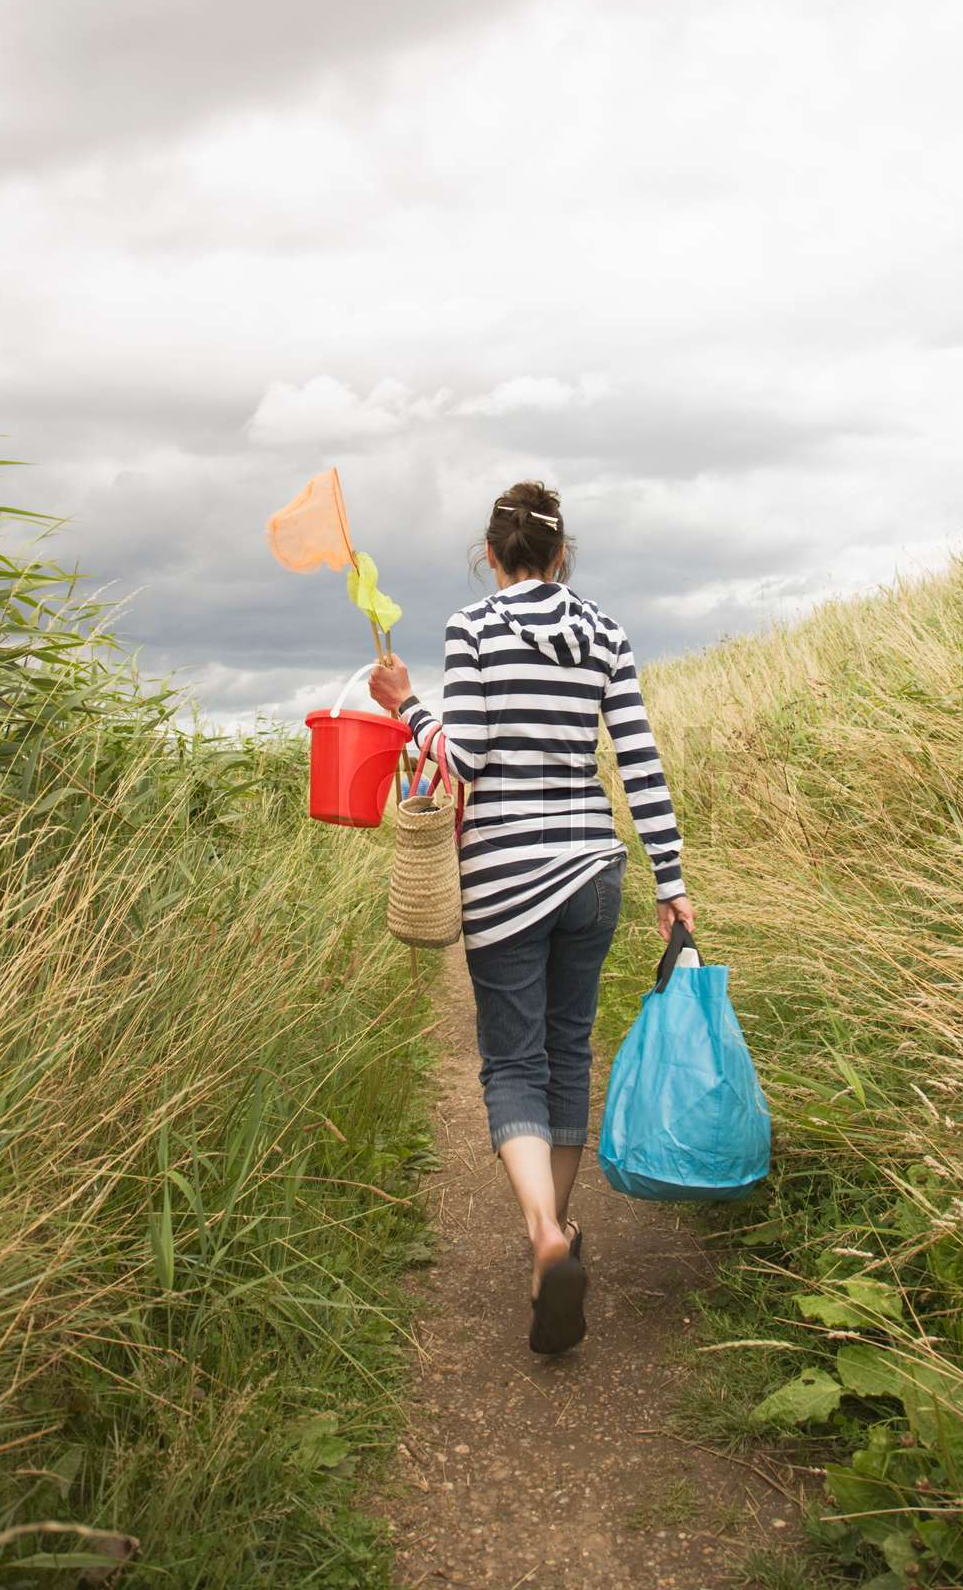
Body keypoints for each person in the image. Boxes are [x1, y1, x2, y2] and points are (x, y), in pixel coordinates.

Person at [368, 480, 694, 1354]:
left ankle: (544, 1235)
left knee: (510, 1061)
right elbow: (639, 761)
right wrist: (670, 881)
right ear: (560, 553)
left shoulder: (474, 627)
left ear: (491, 554)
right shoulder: (606, 633)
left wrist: (405, 706)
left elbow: (465, 753)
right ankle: (560, 1230)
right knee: (565, 1054)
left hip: (506, 876)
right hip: (594, 868)